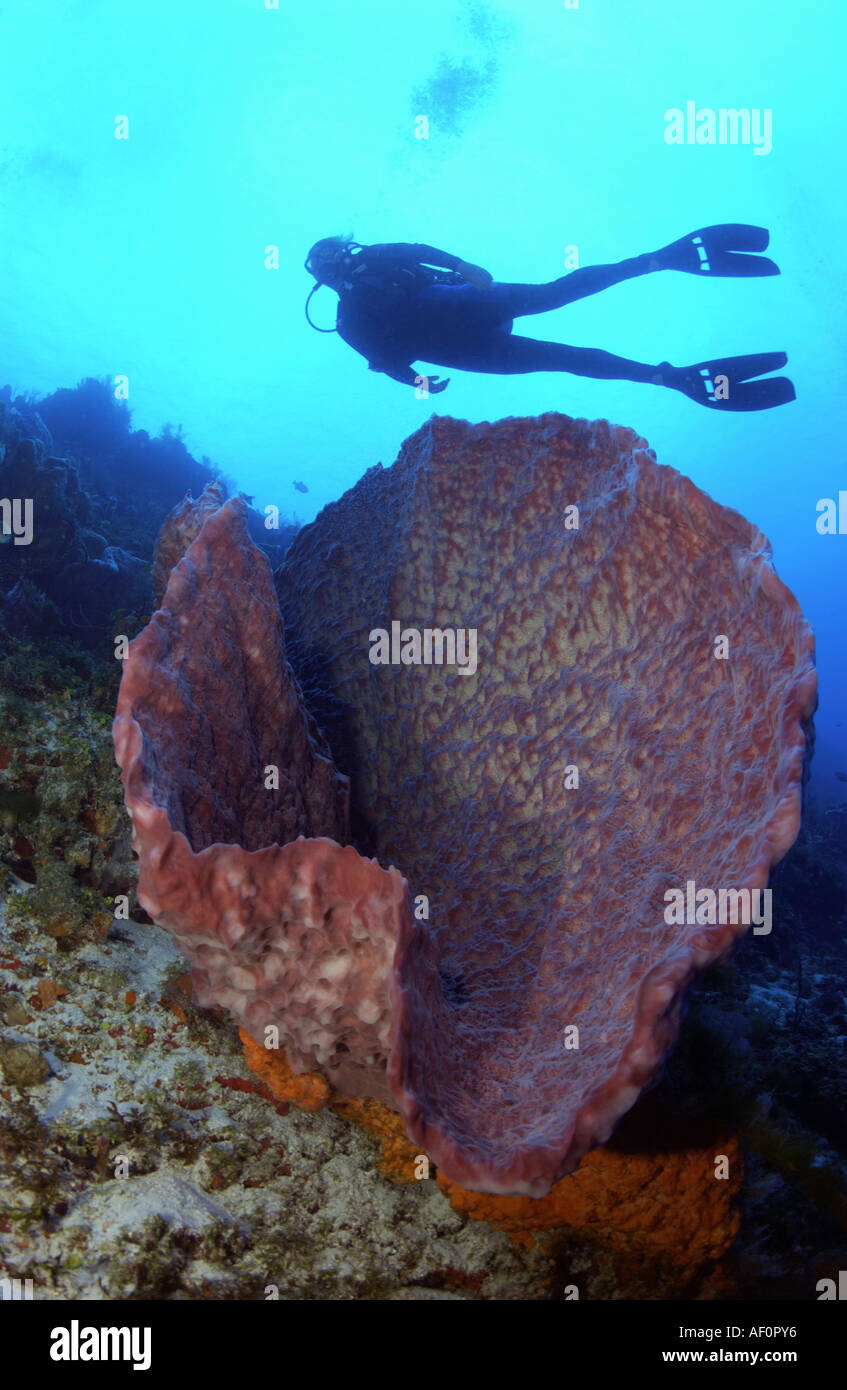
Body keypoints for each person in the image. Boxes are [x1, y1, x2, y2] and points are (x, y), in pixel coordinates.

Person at [304, 226, 795, 411]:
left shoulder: (378, 267)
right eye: (332, 260)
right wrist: (418, 382)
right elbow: (384, 361)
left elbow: (415, 250)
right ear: (326, 274)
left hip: (467, 314)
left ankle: (656, 261)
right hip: (471, 341)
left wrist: (461, 267)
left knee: (558, 305)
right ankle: (665, 376)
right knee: (565, 354)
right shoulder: (349, 320)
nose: (342, 262)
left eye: (338, 254)